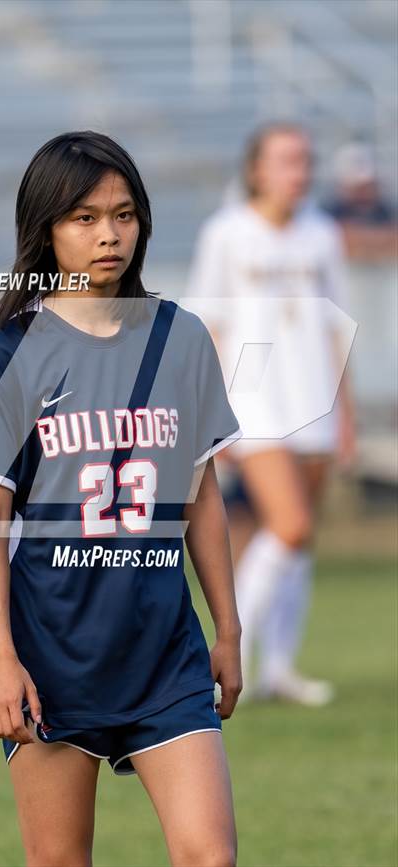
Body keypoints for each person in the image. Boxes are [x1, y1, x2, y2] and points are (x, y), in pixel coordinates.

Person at [0, 131, 243, 867]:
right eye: (83, 218)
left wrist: (229, 628)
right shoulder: (10, 353)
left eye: (123, 213)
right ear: (46, 229)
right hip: (53, 656)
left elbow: (201, 496)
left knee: (210, 855)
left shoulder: (182, 337)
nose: (108, 234)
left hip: (163, 653)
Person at [188, 121, 357, 707]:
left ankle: (277, 669)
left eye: (306, 160)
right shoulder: (226, 234)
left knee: (293, 543)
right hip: (253, 405)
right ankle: (223, 653)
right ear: (257, 169)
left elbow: (338, 328)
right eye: (287, 160)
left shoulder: (322, 234)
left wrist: (347, 414)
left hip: (316, 403)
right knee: (291, 526)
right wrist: (210, 409)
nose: (299, 172)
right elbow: (206, 326)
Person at [323, 142, 397, 262]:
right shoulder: (331, 211)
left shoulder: (384, 210)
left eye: (365, 185)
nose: (363, 191)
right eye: (357, 186)